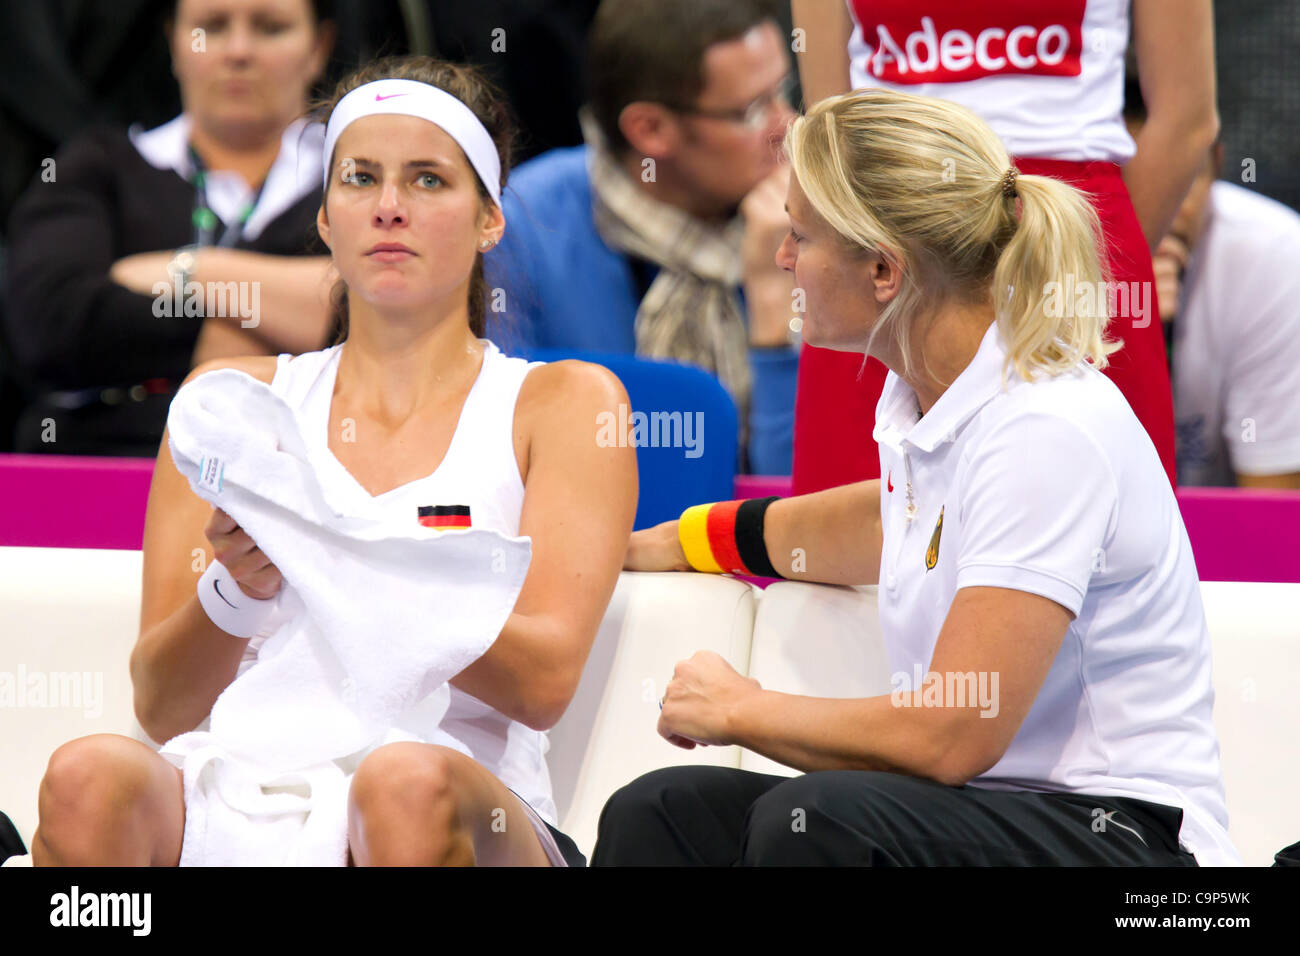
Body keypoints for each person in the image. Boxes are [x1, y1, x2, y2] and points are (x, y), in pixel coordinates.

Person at [594, 89, 1239, 867]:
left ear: (883, 271)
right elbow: (878, 525)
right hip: (975, 817)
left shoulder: (1045, 428)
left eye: (801, 235)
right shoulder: (931, 398)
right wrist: (671, 539)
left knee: (822, 819)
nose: (781, 257)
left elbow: (955, 732)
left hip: (1131, 841)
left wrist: (746, 709)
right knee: (664, 812)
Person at [30, 56, 638, 867]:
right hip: (243, 782)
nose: (389, 208)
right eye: (359, 179)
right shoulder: (229, 403)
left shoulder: (565, 404)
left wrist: (337, 555)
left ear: (490, 218)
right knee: (84, 778)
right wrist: (236, 589)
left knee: (397, 785)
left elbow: (543, 681)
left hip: (461, 791)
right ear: (324, 219)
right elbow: (160, 704)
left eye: (427, 180)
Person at [785, 0, 1220, 494]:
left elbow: (1188, 123)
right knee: (843, 543)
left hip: (1069, 228)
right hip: (876, 231)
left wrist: (1071, 250)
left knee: (1096, 532)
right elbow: (828, 132)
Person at [4, 0, 339, 457]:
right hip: (99, 474)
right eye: (212, 27)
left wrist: (190, 271)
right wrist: (269, 334)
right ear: (174, 43)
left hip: (313, 483)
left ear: (319, 46)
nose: (239, 51)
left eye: (270, 28)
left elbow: (389, 319)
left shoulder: (360, 175)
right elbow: (48, 326)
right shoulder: (95, 166)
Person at [485, 0, 801, 475]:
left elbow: (802, 497)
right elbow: (500, 465)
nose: (790, 126)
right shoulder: (520, 232)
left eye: (784, 92)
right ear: (649, 129)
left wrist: (775, 307)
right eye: (755, 110)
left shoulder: (807, 231)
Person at [1125, 89, 1300, 489]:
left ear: (1217, 167)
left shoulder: (1273, 254)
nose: (1163, 206)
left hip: (1220, 537)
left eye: (1182, 181)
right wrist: (1121, 329)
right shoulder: (1047, 258)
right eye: (1129, 179)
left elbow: (1271, 516)